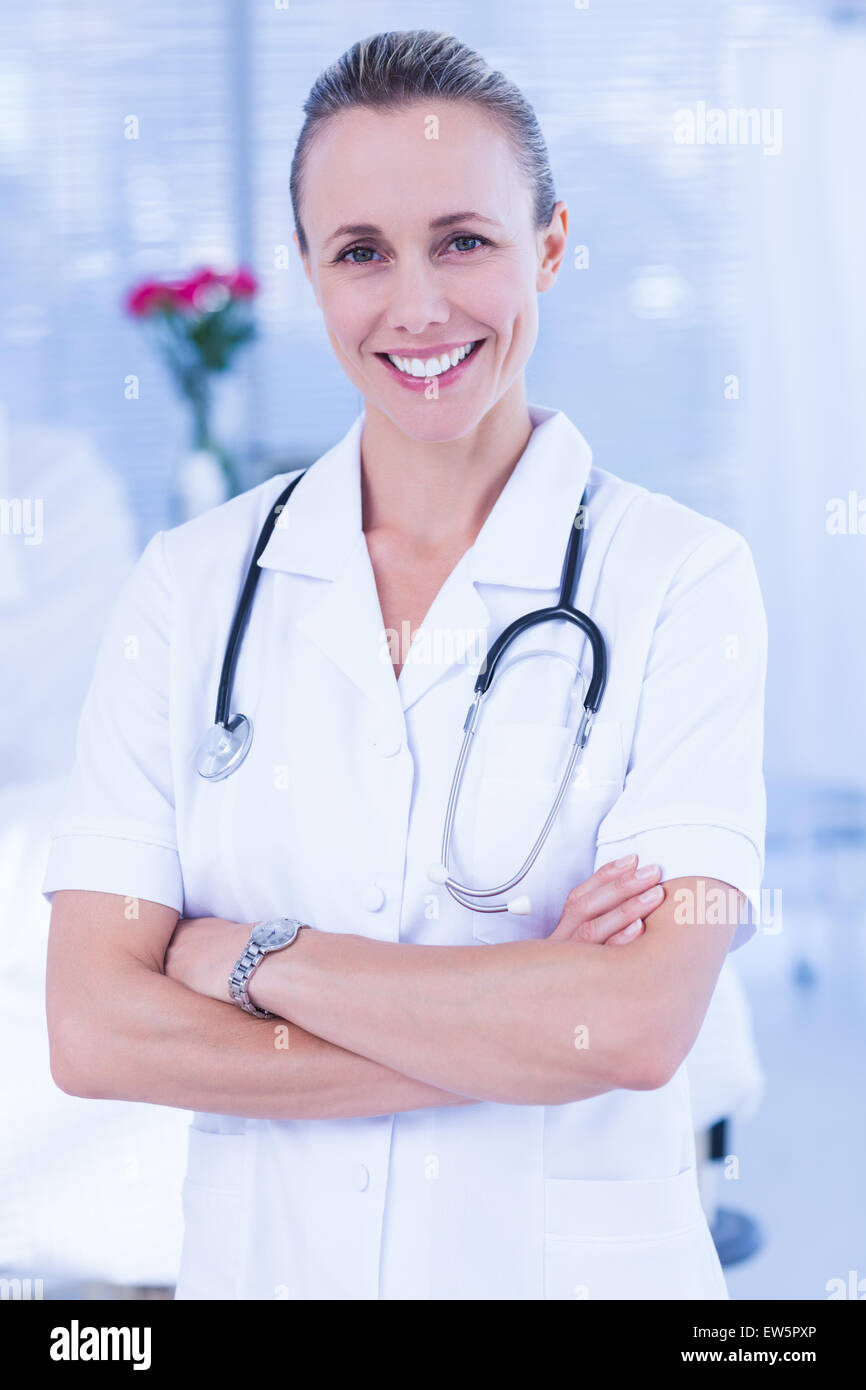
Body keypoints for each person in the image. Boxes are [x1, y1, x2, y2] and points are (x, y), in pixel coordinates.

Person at [42, 30, 767, 1301]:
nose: (417, 306)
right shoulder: (190, 587)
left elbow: (643, 1025)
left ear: (547, 245)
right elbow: (93, 1032)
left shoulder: (682, 580)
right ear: (311, 275)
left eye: (464, 240)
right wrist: (522, 1024)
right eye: (361, 252)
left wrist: (246, 956)